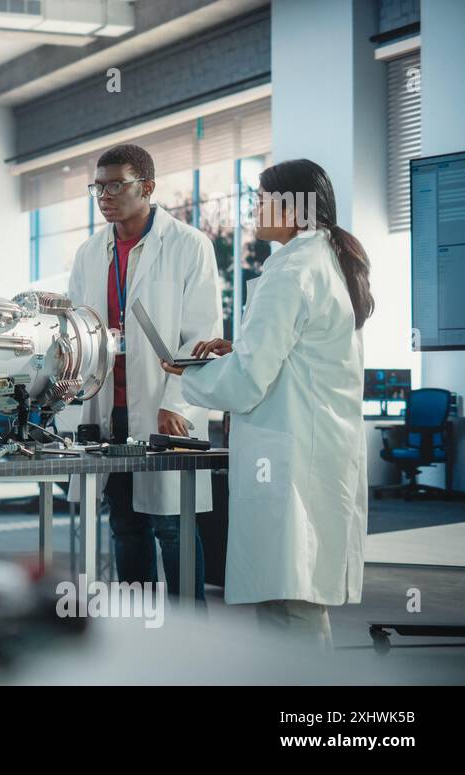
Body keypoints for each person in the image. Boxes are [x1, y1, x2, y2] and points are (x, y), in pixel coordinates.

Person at [162, 159, 373, 647]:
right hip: (314, 448)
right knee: (295, 600)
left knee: (288, 604)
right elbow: (301, 354)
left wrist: (190, 374)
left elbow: (246, 384)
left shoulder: (293, 270)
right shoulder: (323, 261)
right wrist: (241, 349)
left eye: (259, 199)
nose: (252, 210)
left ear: (294, 207)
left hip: (293, 457)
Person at [67, 144, 220, 600]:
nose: (104, 195)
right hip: (107, 412)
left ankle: (190, 635)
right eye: (98, 186)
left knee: (170, 526)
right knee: (125, 525)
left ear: (147, 188)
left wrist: (176, 402)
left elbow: (202, 332)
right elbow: (77, 330)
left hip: (161, 409)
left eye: (116, 184)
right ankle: (140, 634)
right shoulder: (90, 252)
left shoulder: (189, 245)